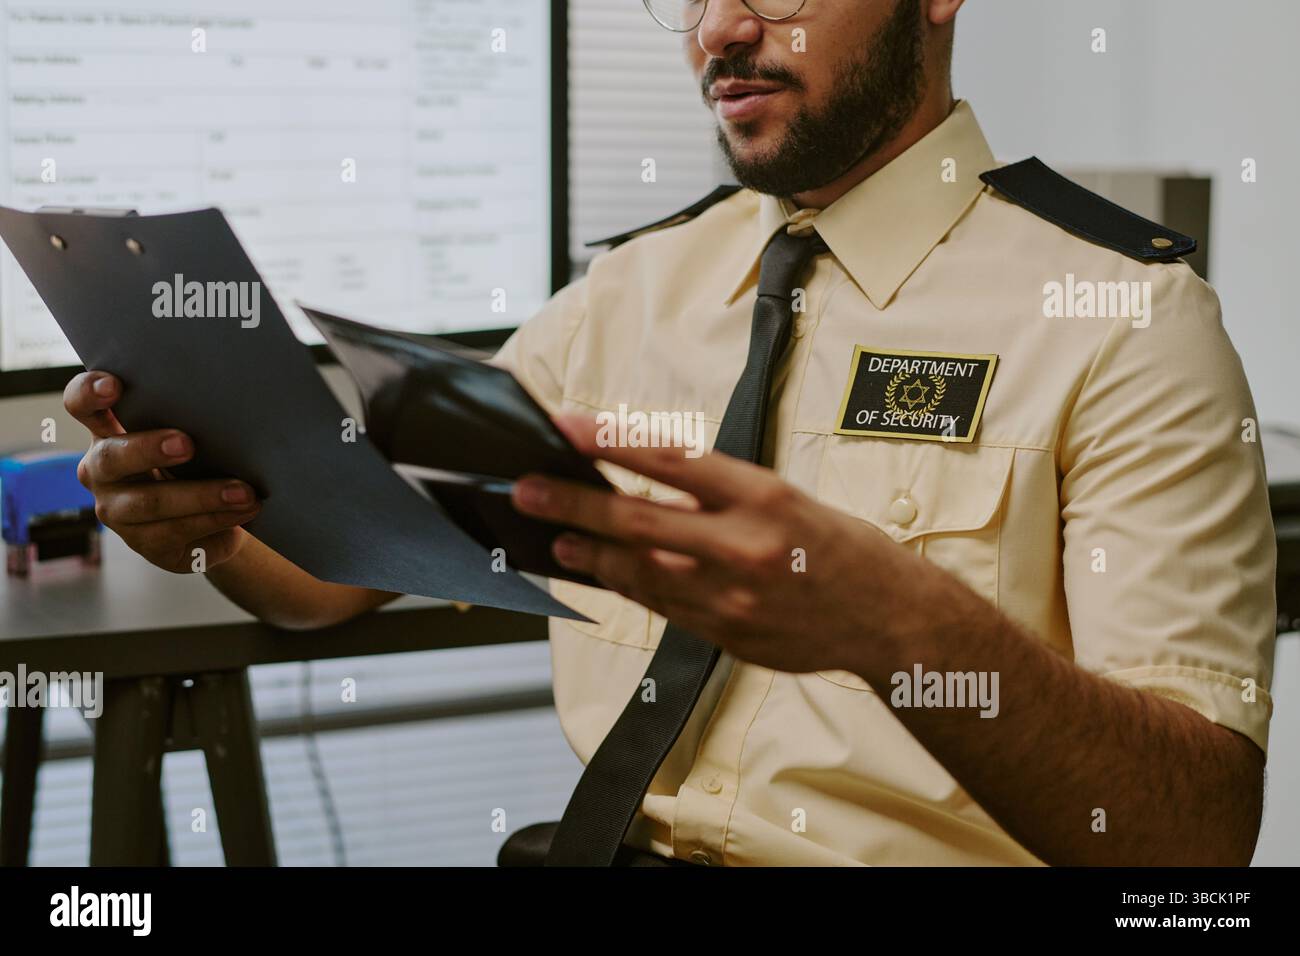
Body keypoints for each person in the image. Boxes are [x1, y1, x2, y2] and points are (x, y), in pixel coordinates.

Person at [66, 0, 1275, 866]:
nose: (718, 31)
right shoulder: (627, 289)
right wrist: (204, 515)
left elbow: (1193, 831)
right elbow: (339, 579)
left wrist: (902, 627)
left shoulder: (1125, 314)